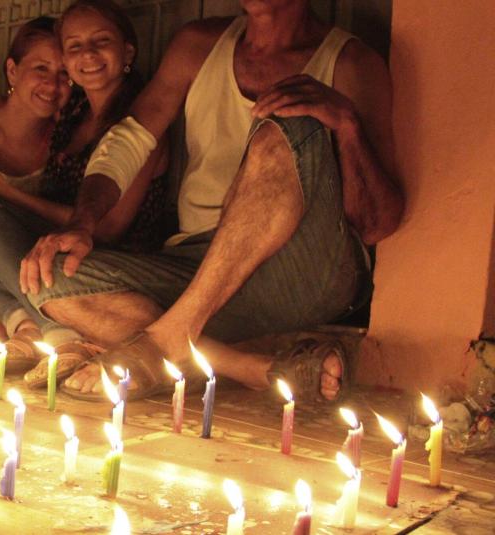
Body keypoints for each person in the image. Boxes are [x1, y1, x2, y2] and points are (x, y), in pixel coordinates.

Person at [23, 0, 403, 402]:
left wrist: (346, 124)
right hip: (199, 265)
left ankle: (169, 341)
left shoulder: (353, 63)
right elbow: (130, 139)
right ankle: (245, 365)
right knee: (50, 277)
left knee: (291, 113)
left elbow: (378, 224)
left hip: (304, 269)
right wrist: (83, 222)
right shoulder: (198, 44)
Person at [0, 4, 168, 383]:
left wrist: (3, 191)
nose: (87, 56)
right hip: (60, 245)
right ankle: (28, 325)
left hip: (110, 254)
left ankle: (64, 333)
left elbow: (110, 229)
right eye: (75, 47)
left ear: (128, 52)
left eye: (101, 42)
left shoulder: (142, 121)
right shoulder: (72, 114)